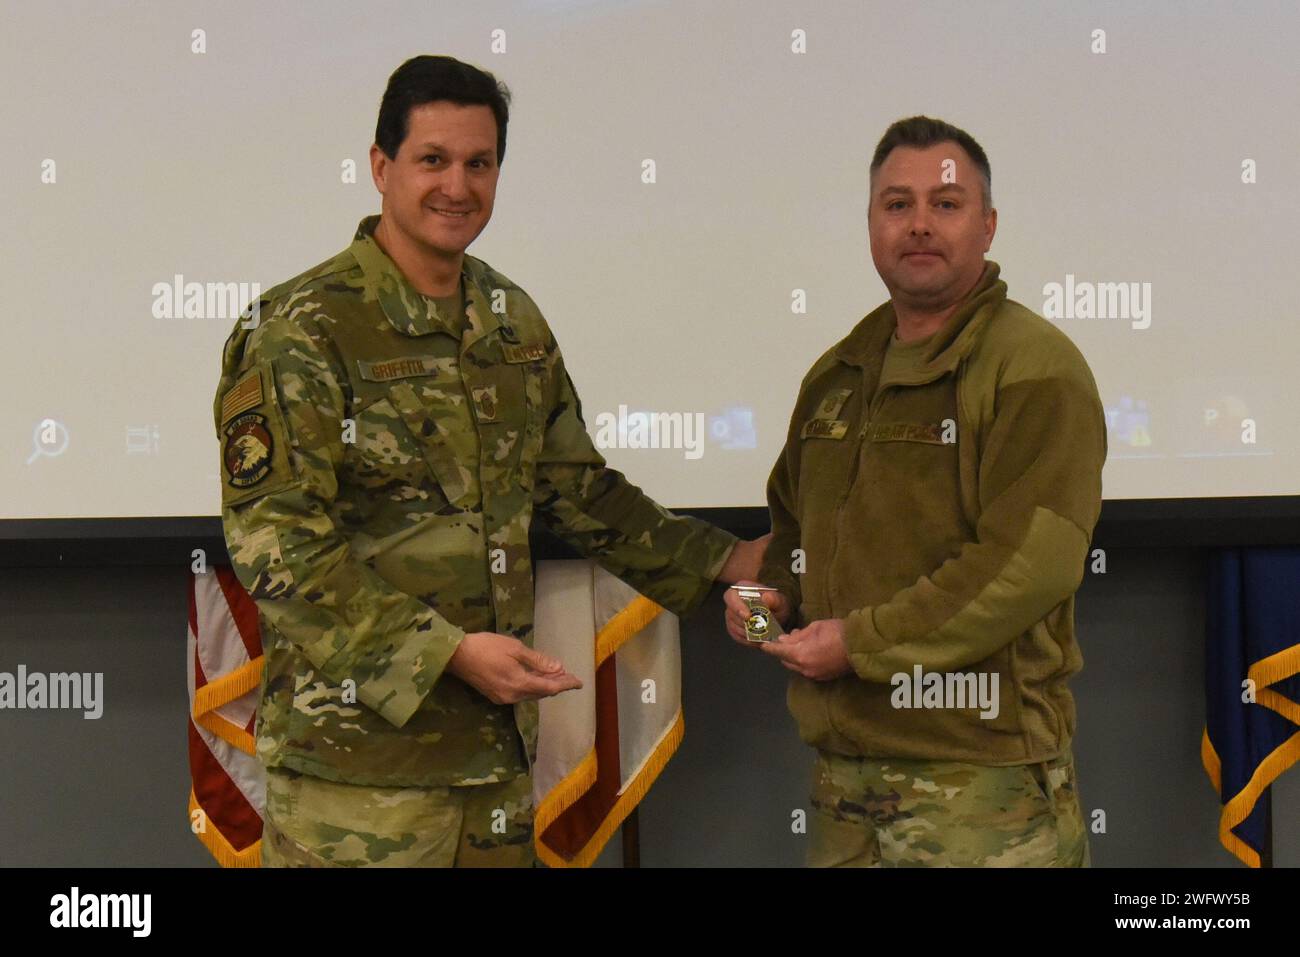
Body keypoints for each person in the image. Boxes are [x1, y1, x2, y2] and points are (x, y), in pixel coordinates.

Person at [215, 55, 766, 867]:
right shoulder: (299, 328)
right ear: (380, 167)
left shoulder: (510, 320)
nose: (457, 186)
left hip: (495, 768)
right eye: (432, 159)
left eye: (480, 163)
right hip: (361, 780)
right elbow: (279, 551)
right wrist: (446, 653)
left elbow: (580, 491)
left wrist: (725, 556)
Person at [725, 116, 1106, 867]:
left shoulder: (1034, 368)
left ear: (988, 225)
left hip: (980, 783)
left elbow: (1025, 565)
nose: (920, 224)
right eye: (897, 204)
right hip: (844, 781)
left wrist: (858, 644)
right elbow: (797, 533)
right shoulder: (838, 375)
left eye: (947, 203)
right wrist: (769, 600)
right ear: (871, 224)